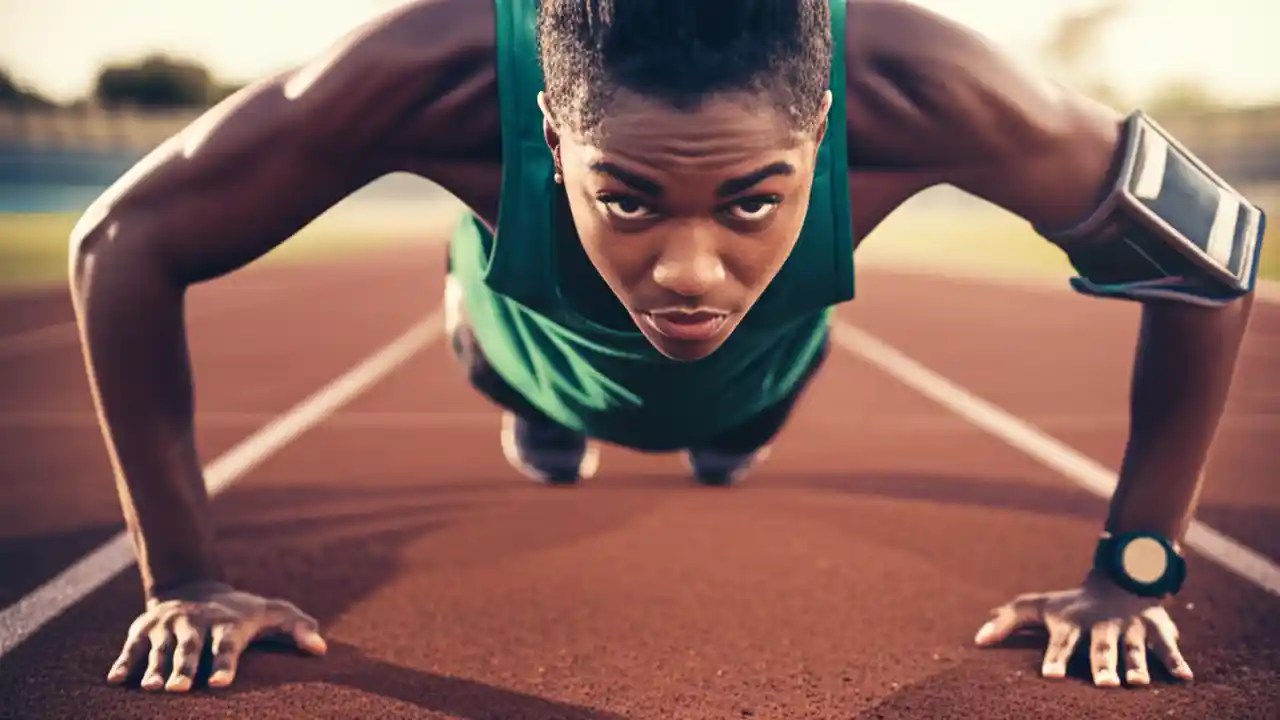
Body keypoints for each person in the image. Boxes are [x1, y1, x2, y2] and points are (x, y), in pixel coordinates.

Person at [69, 0, 1263, 697]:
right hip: (523, 333)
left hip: (767, 361)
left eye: (749, 199)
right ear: (546, 127)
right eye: (629, 197)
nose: (687, 268)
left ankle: (740, 398)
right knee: (510, 357)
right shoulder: (422, 79)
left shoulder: (936, 87)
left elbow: (1208, 258)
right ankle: (522, 374)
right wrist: (180, 579)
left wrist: (1136, 567)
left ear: (828, 119)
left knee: (733, 410)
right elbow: (120, 240)